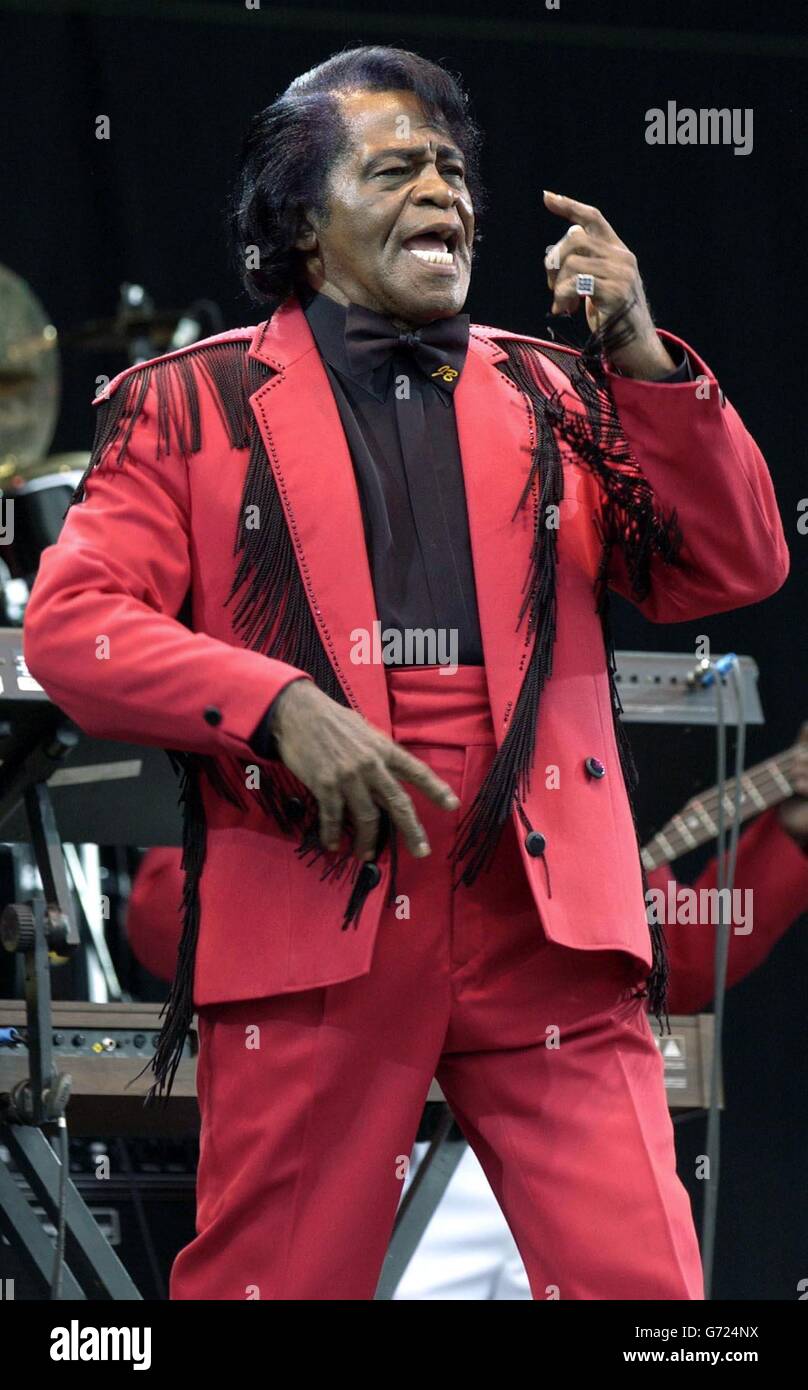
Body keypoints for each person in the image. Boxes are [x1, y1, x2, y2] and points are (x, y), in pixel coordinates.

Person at [22, 46, 789, 1300]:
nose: (444, 188)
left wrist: (647, 360)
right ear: (305, 226)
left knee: (646, 1296)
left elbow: (734, 565)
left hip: (543, 914)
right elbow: (75, 628)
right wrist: (274, 704)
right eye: (395, 167)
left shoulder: (558, 390)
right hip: (320, 904)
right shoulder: (191, 401)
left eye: (451, 167)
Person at [124, 728, 808, 1298]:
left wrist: (790, 839)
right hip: (359, 1146)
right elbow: (160, 917)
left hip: (539, 1146)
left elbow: (674, 957)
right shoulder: (308, 728)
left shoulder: (554, 756)